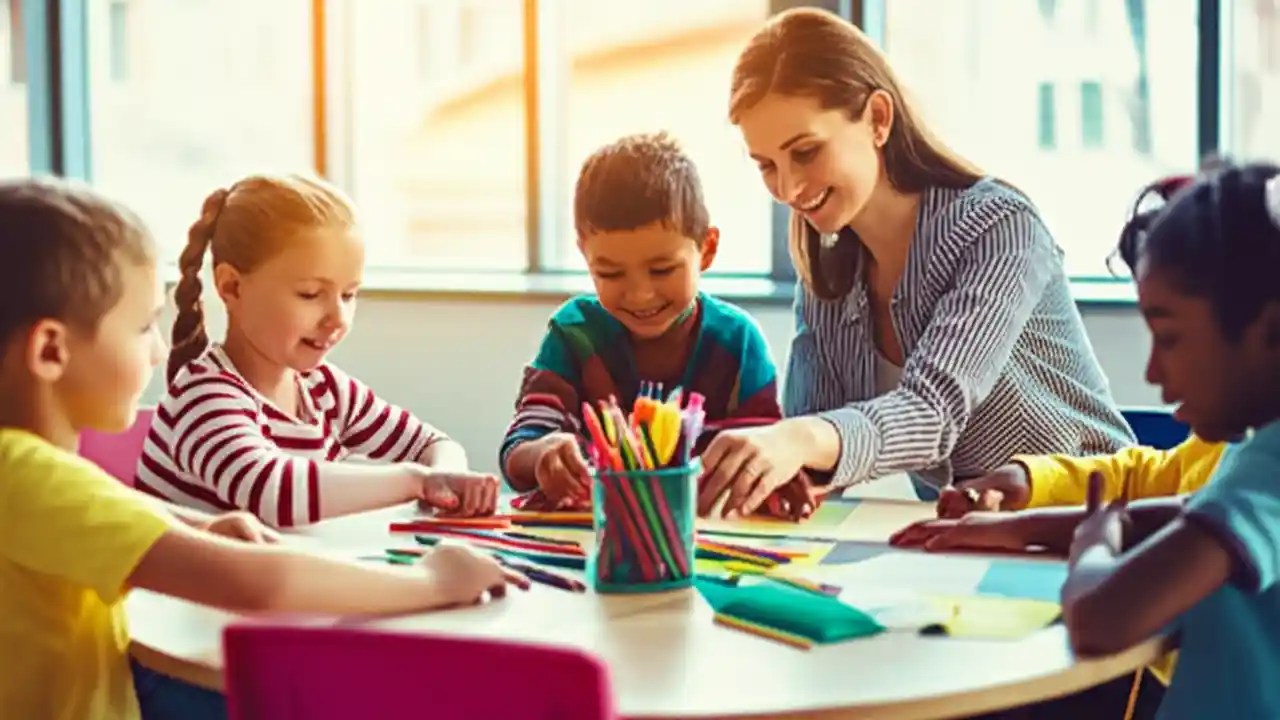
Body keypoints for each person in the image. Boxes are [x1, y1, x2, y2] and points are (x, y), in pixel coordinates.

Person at [0, 177, 526, 720]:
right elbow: (262, 583)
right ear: (50, 350)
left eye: (349, 294)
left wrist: (203, 528)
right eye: (142, 328)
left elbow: (121, 506)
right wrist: (434, 581)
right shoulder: (28, 476)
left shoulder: (27, 474)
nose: (160, 351)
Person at [696, 7, 1133, 519]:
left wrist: (800, 439)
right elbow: (812, 440)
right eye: (767, 165)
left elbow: (932, 414)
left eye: (807, 151)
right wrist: (784, 473)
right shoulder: (826, 273)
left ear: (878, 119)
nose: (787, 189)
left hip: (1097, 525)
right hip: (970, 535)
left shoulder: (998, 226)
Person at [136, 174, 499, 527]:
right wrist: (416, 482)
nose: (337, 318)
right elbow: (274, 493)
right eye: (310, 294)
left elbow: (433, 443)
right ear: (232, 287)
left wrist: (444, 475)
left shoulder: (324, 390)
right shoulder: (203, 399)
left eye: (349, 295)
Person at [501, 132, 822, 519]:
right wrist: (543, 455)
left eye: (662, 269)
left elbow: (762, 456)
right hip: (592, 546)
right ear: (585, 255)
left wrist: (774, 475)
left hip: (709, 544)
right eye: (610, 272)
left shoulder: (737, 341)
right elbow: (519, 449)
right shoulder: (574, 332)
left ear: (706, 249)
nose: (639, 295)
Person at [1063, 162, 1280, 718]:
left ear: (1270, 331)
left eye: (1170, 337)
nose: (1154, 371)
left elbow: (1099, 620)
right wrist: (1018, 530)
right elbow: (1189, 517)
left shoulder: (1272, 470)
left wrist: (1092, 547)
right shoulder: (1255, 454)